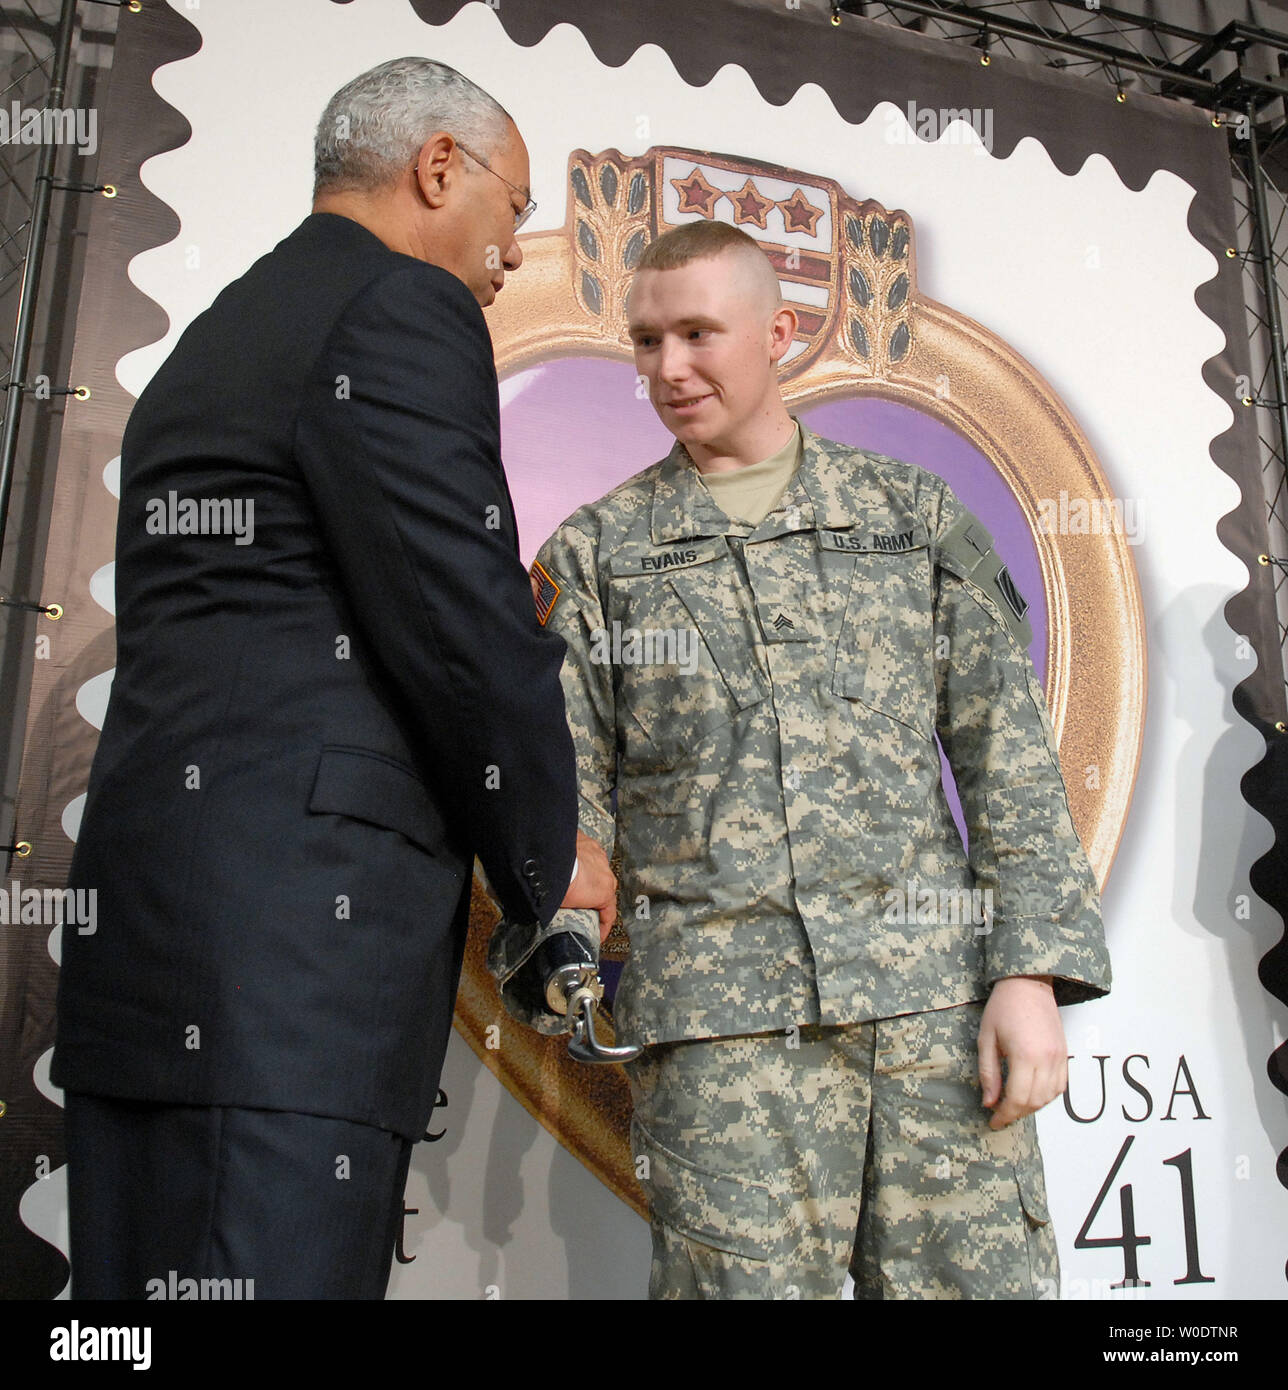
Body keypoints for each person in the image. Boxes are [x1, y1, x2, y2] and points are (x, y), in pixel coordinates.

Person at [51, 56, 614, 1300]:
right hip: (282, 997)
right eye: (510, 208)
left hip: (162, 966)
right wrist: (549, 852)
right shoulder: (400, 312)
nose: (510, 253)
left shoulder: (225, 331)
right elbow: (459, 621)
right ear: (436, 168)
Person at [514, 219, 1111, 1299]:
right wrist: (560, 938)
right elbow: (565, 793)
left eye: (699, 333)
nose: (668, 368)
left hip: (930, 1020)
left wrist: (1027, 974)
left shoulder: (907, 517)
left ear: (779, 333)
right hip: (724, 1038)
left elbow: (1005, 755)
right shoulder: (595, 557)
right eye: (647, 341)